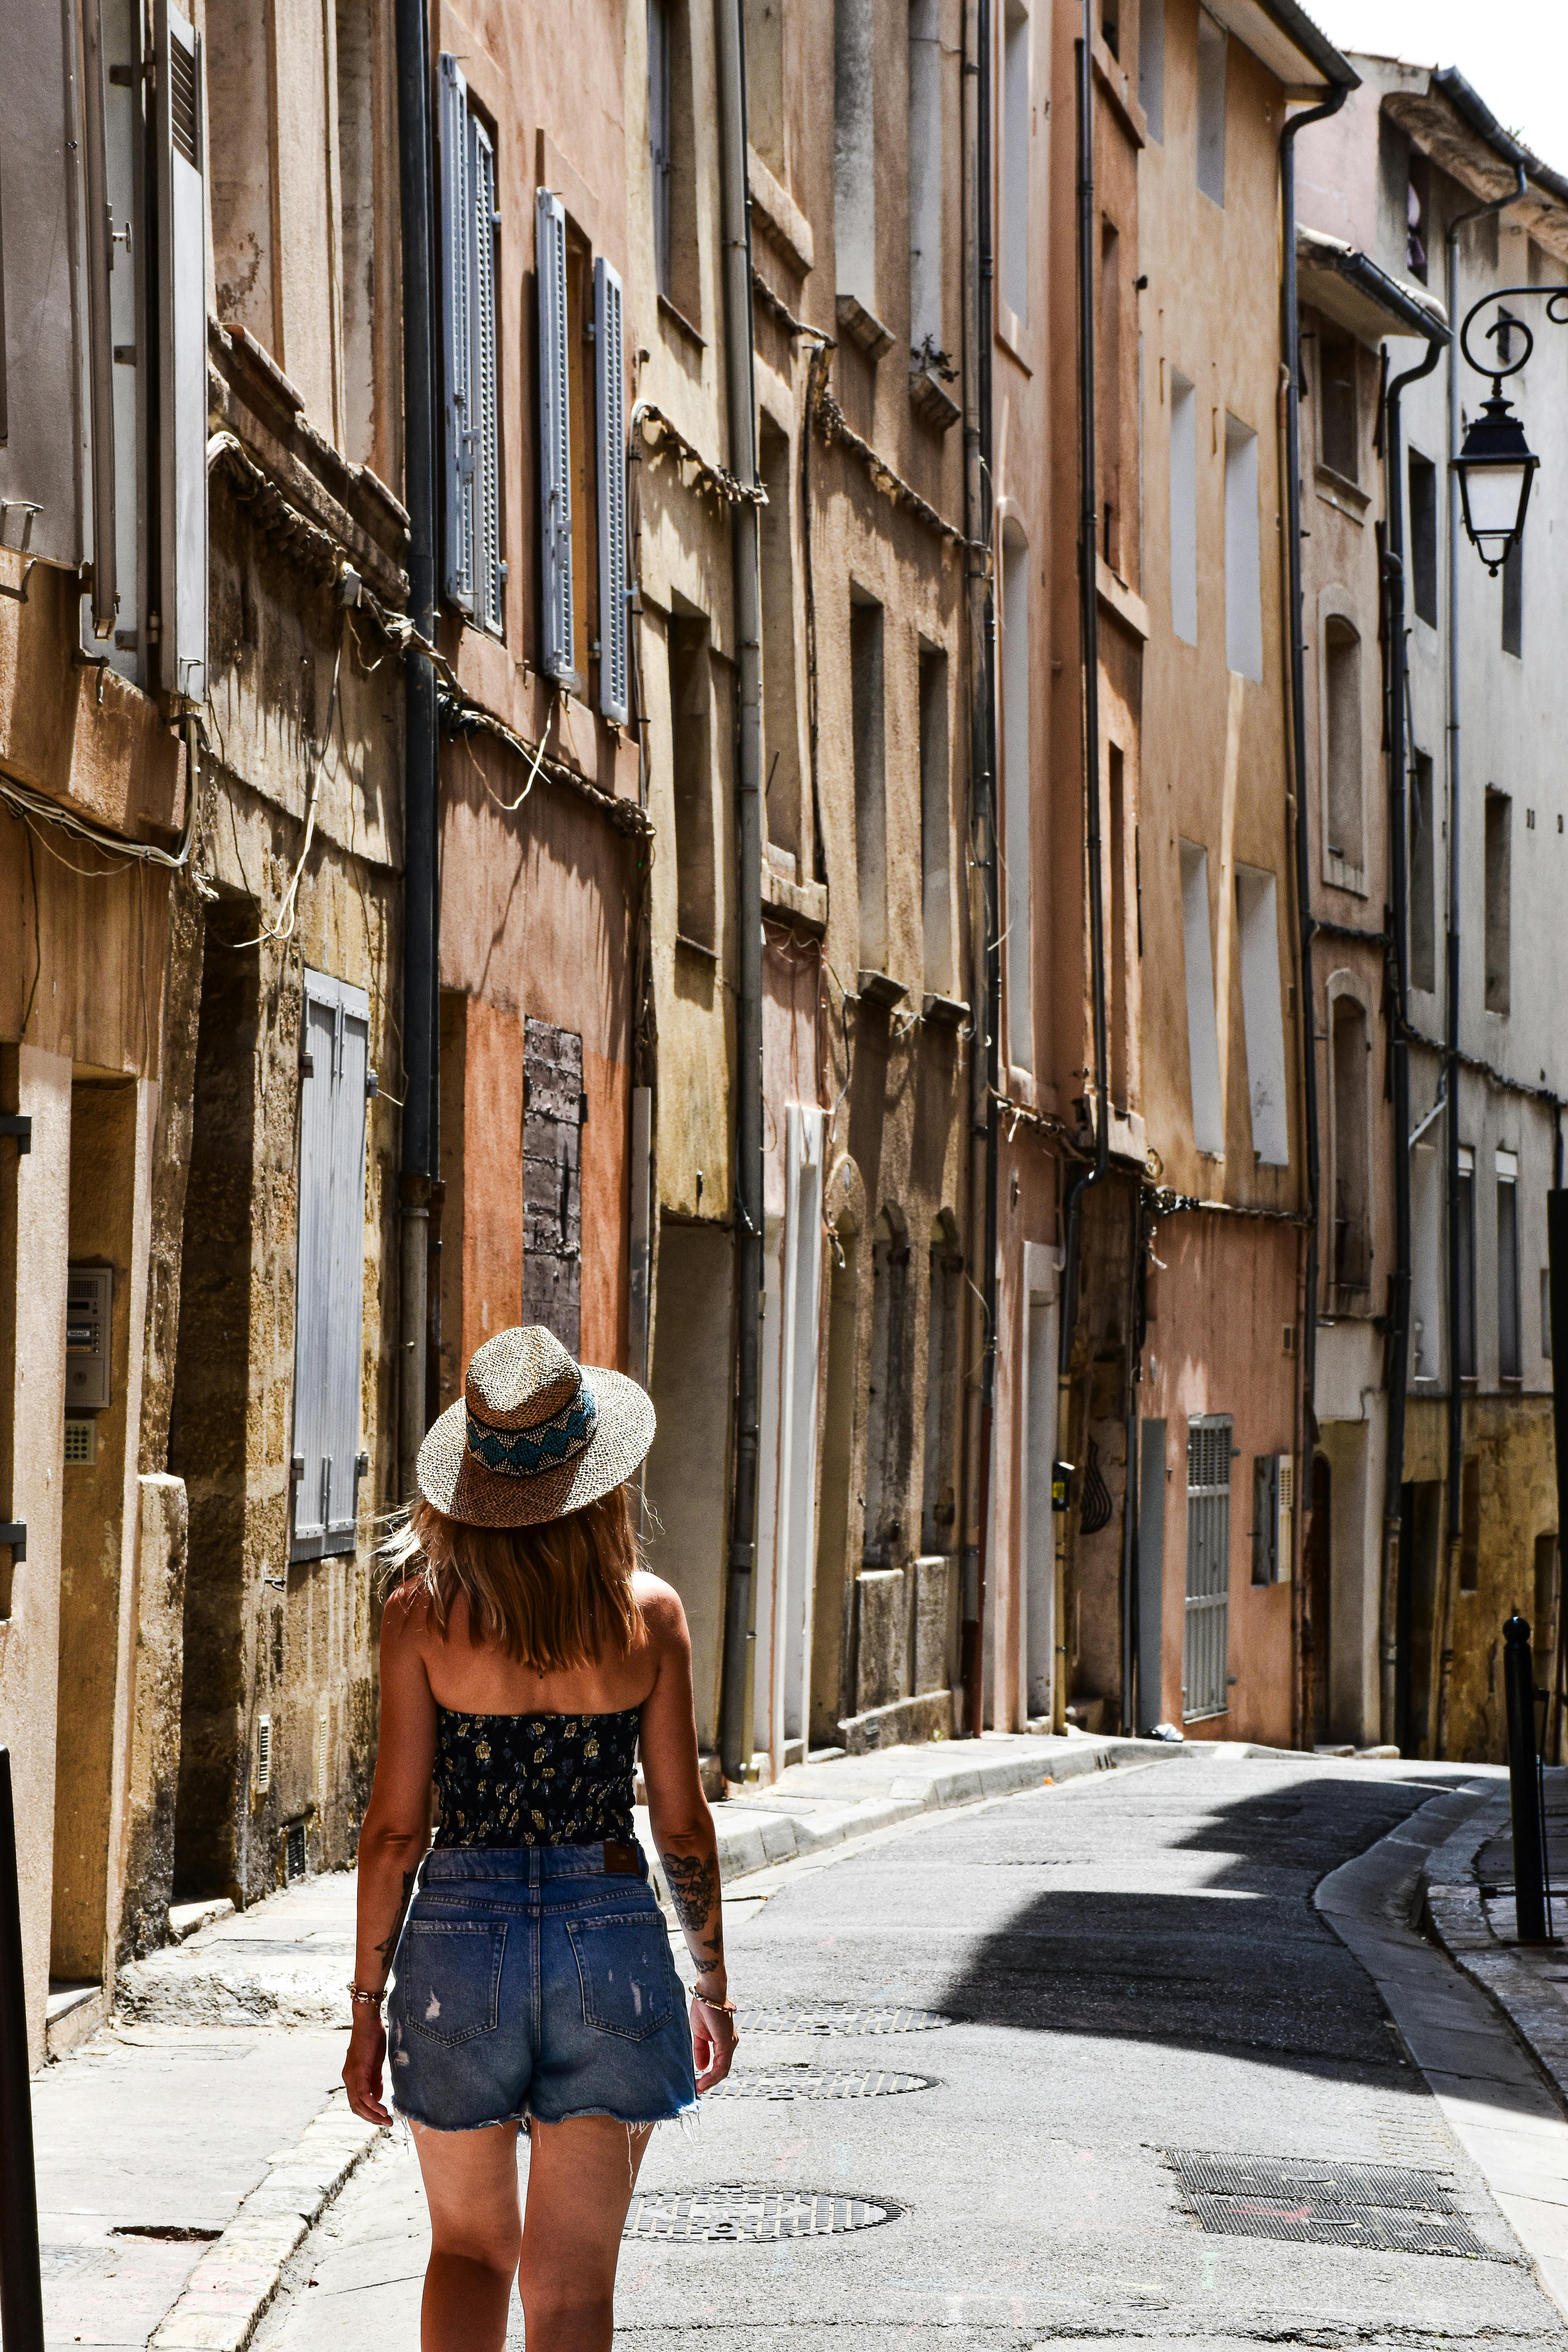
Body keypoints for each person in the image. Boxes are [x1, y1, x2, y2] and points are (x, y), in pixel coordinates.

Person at [341, 1325, 738, 2351]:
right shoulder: (647, 1617)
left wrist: (363, 2012)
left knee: (469, 2252)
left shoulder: (420, 1617)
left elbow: (393, 1831)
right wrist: (712, 1986)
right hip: (608, 1934)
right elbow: (681, 1822)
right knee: (572, 2291)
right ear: (599, 1481)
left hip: (457, 1943)